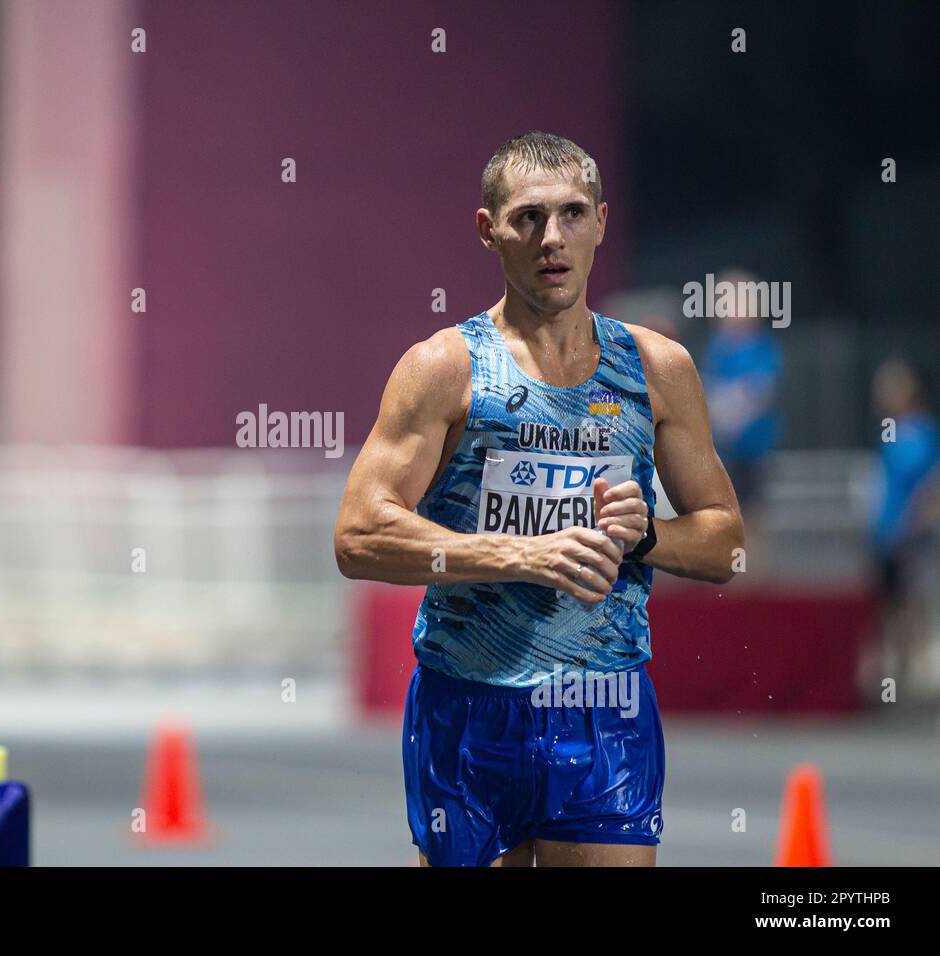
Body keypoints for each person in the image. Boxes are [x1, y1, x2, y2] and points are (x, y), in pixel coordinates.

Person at [333, 131, 743, 867]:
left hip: (603, 709)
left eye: (572, 213)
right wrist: (522, 554)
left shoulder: (657, 368)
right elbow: (359, 536)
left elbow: (726, 544)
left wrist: (646, 535)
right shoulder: (443, 369)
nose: (552, 238)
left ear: (601, 223)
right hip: (469, 704)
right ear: (488, 231)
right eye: (527, 217)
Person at [868, 359, 940, 694]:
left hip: (911, 534)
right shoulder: (890, 432)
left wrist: (913, 524)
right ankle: (891, 671)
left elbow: (931, 486)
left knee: (911, 601)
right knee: (888, 605)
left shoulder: (923, 432)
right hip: (885, 533)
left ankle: (909, 674)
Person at [701, 269, 781, 507]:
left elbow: (762, 390)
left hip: (753, 448)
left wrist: (731, 409)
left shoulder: (761, 345)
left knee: (752, 512)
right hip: (721, 450)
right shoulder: (717, 347)